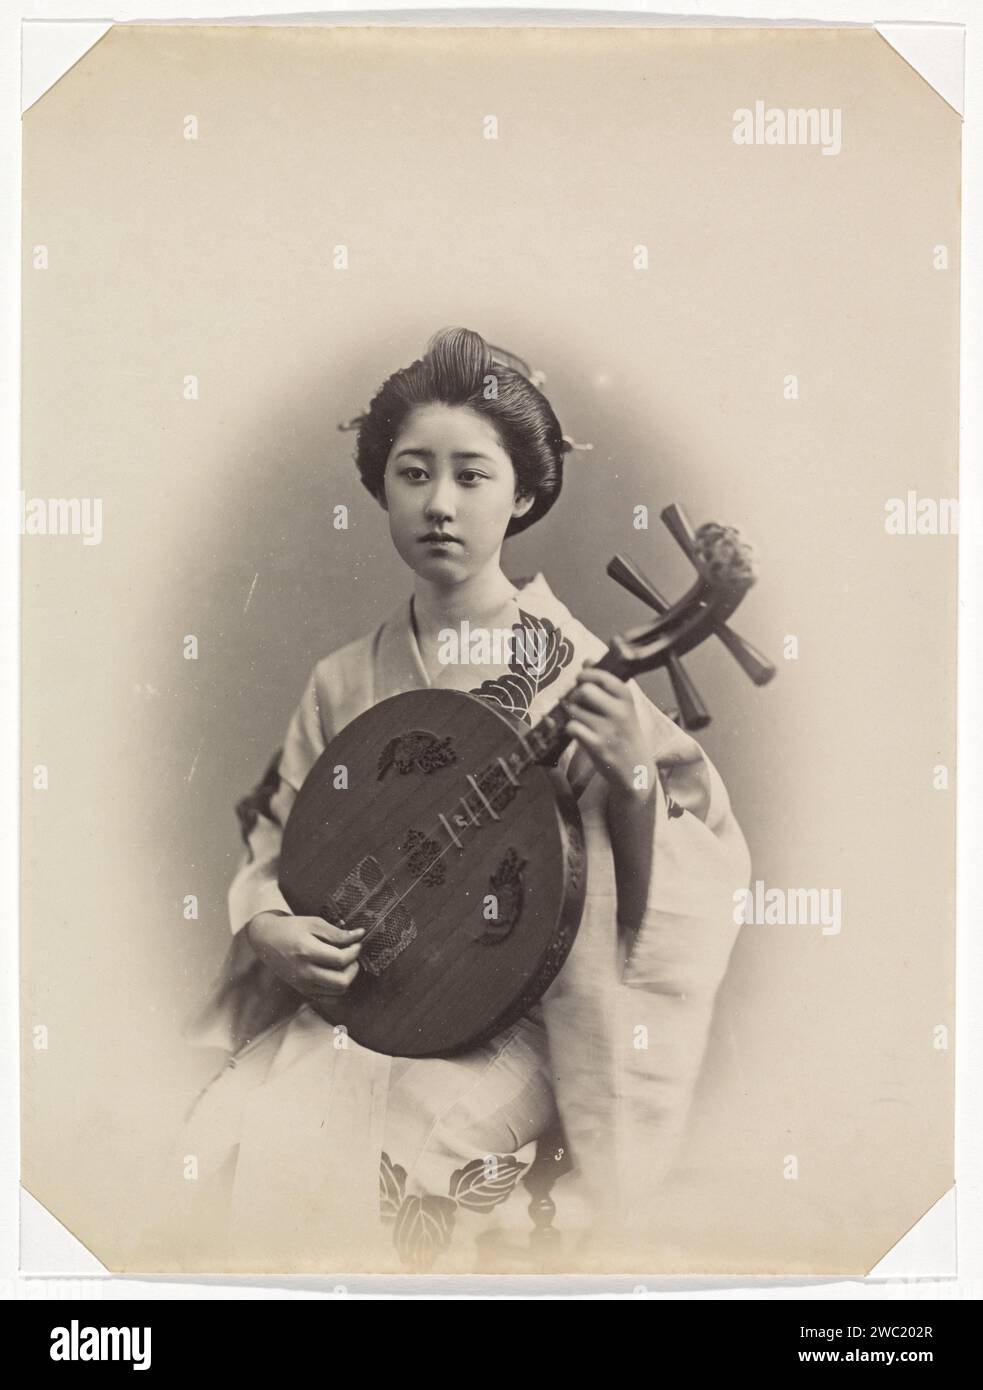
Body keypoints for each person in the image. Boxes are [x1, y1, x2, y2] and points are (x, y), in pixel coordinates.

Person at [163, 327, 752, 1275]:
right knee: (234, 1127)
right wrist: (270, 927)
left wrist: (635, 779)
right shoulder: (341, 679)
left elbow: (679, 881)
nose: (439, 503)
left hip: (511, 1016)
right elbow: (277, 849)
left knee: (413, 1146)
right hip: (368, 995)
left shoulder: (569, 664)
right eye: (412, 473)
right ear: (381, 488)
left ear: (521, 494)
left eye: (472, 476)